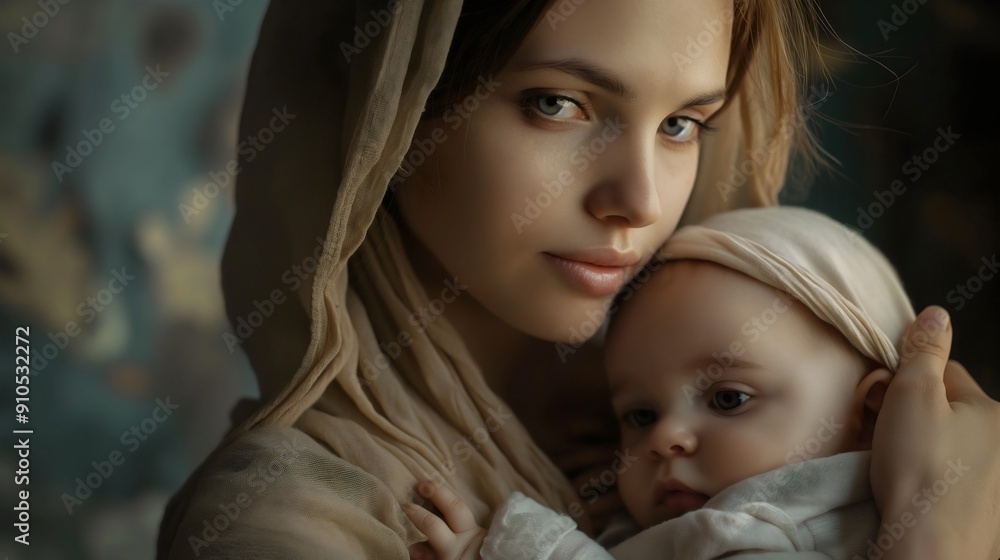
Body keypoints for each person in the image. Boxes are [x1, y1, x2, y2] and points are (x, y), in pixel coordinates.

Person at [156, 1, 1000, 559]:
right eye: (557, 103)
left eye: (681, 124)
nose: (639, 199)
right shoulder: (288, 521)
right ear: (390, 103)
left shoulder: (780, 435)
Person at [401, 206, 923, 559]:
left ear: (872, 414)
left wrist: (513, 549)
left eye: (728, 398)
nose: (663, 438)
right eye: (640, 416)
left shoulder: (780, 534)